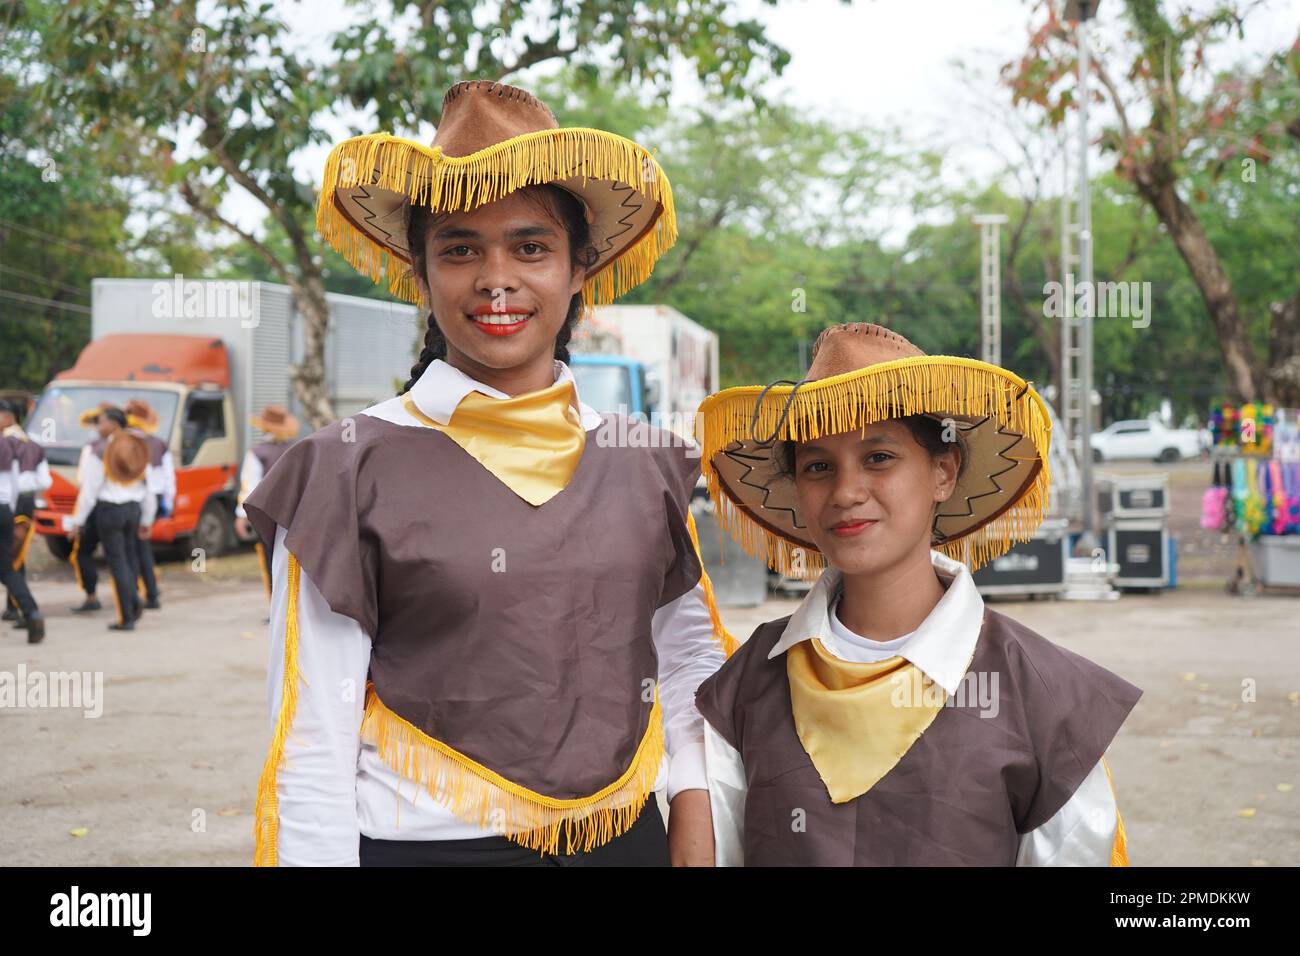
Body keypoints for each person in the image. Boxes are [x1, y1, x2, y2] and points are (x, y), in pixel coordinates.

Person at [245, 79, 734, 867]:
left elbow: (686, 667)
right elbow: (312, 730)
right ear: (420, 272)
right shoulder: (344, 466)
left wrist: (696, 824)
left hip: (630, 845)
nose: (496, 278)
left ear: (581, 269)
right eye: (460, 248)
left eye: (530, 246)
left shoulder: (643, 461)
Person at [693, 322, 1143, 866]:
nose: (846, 492)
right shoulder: (745, 687)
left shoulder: (1044, 698)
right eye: (817, 466)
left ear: (943, 473)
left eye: (878, 457)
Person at [70, 406, 156, 630]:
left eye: (102, 422)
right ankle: (134, 601)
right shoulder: (137, 446)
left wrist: (77, 521)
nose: (98, 426)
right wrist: (147, 518)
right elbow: (148, 486)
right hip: (133, 509)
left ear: (114, 424)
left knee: (118, 563)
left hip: (110, 511)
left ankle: (127, 615)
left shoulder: (99, 450)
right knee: (129, 559)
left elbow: (89, 489)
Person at [234, 404, 299, 601]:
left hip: (268, 516)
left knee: (272, 562)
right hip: (296, 516)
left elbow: (250, 486)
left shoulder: (257, 453)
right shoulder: (296, 450)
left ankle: (277, 607)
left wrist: (240, 516)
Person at [1, 399, 50, 628]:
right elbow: (45, 481)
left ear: (9, 416)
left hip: (9, 504)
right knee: (14, 557)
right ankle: (22, 609)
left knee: (9, 559)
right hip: (23, 503)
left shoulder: (5, 442)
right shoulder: (34, 444)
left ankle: (19, 609)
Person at [124, 398, 175, 610]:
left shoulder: (126, 443)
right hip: (155, 499)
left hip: (135, 499)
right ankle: (152, 592)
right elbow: (169, 477)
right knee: (143, 548)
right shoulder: (159, 443)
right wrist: (168, 502)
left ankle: (135, 593)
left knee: (133, 549)